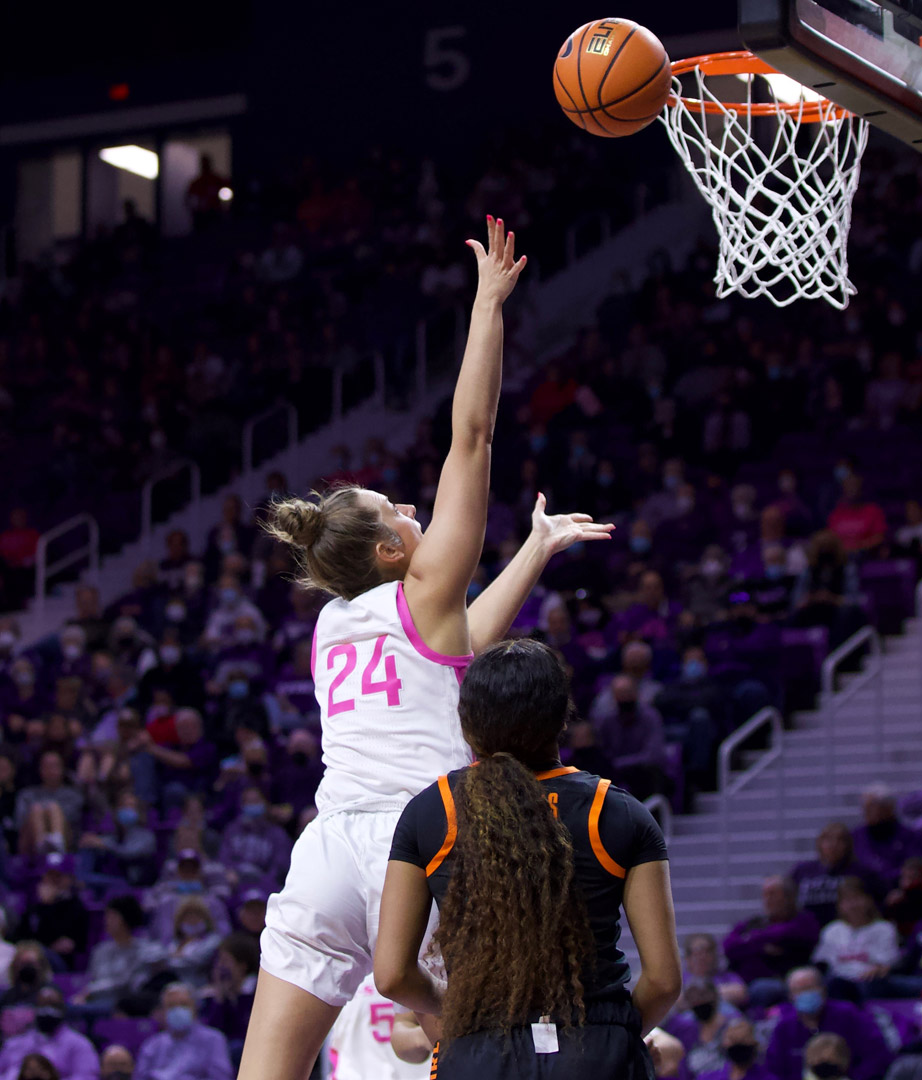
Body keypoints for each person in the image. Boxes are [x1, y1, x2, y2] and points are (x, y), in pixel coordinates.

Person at [241, 221, 610, 1080]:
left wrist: (536, 547)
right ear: (390, 552)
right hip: (426, 838)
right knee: (495, 1054)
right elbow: (472, 435)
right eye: (401, 512)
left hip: (329, 847)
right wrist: (487, 306)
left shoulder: (336, 624)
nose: (415, 510)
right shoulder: (423, 591)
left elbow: (463, 648)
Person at [375, 638, 682, 1077]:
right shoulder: (615, 811)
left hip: (479, 1051)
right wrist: (619, 1032)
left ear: (467, 723)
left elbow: (392, 975)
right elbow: (664, 981)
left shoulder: (432, 812)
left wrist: (466, 1016)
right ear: (562, 717)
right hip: (596, 1048)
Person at [762, 968, 894, 1080]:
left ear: (823, 990)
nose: (805, 994)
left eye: (809, 988)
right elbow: (773, 1069)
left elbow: (878, 1056)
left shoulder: (848, 1014)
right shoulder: (784, 1026)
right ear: (790, 996)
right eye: (798, 990)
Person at [0, 987, 98, 1080]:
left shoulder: (79, 1045)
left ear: (63, 1009)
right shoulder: (14, 1043)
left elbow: (87, 1077)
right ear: (35, 1009)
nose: (47, 1011)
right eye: (42, 1006)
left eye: (53, 1006)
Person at [815, 878, 900, 1000]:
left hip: (869, 982)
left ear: (869, 900)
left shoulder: (884, 928)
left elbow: (888, 964)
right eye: (847, 900)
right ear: (839, 905)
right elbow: (822, 963)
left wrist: (878, 969)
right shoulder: (831, 930)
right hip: (838, 982)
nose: (853, 905)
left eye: (857, 898)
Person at [135, 983, 232, 1080]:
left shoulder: (214, 1040)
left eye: (184, 1005)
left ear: (195, 1007)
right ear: (163, 1011)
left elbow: (221, 1077)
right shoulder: (151, 1046)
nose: (178, 1010)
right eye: (171, 1006)